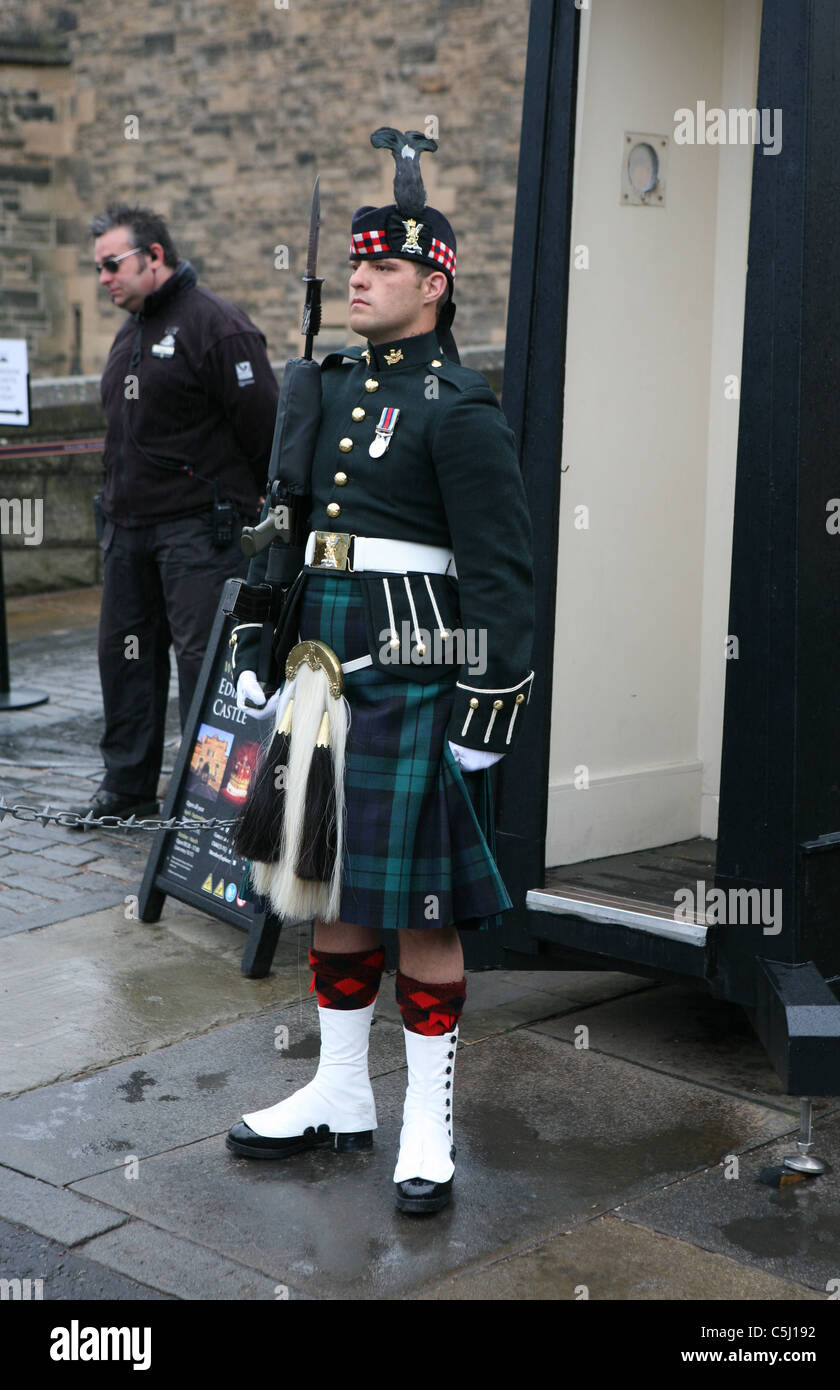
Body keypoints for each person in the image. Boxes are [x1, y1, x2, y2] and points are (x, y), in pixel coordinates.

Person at [226, 129, 534, 1213]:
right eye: (355, 263)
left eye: (385, 265)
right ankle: (341, 1090)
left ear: (434, 284)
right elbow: (286, 525)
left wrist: (485, 709)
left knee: (423, 904)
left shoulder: (460, 409)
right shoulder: (326, 382)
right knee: (329, 884)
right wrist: (261, 651)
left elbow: (501, 577)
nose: (358, 277)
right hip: (321, 654)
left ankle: (426, 1120)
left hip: (413, 660)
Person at [74, 204, 278, 822]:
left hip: (200, 534)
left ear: (153, 257)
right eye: (98, 268)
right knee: (125, 658)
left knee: (204, 668)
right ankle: (127, 788)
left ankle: (204, 802)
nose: (104, 278)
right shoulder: (129, 329)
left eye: (112, 264)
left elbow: (265, 430)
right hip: (128, 532)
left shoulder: (217, 326)